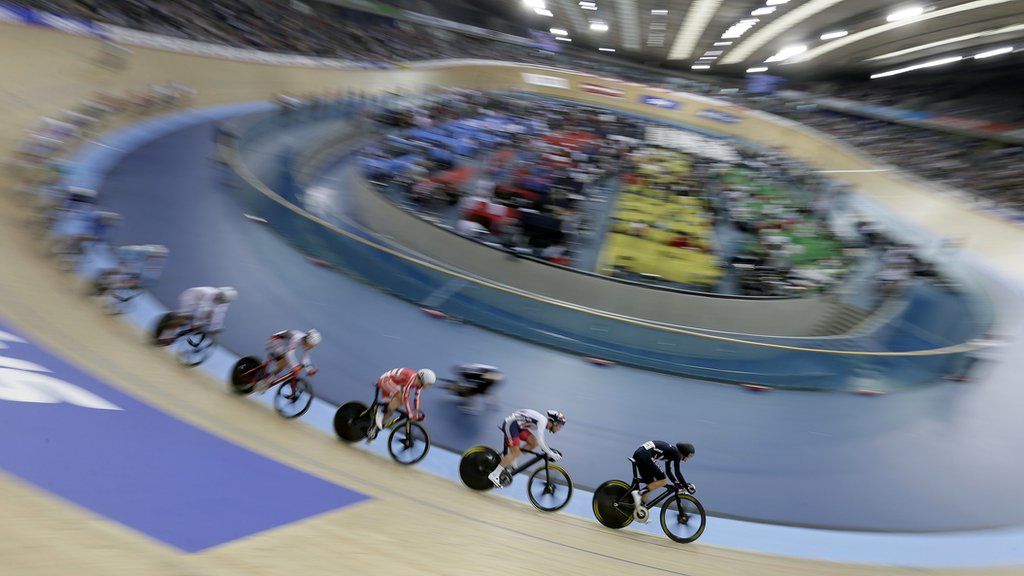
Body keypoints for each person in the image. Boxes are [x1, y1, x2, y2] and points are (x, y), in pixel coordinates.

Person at [488, 409, 565, 488]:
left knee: (533, 442)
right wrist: (551, 453)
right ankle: (494, 474)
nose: (559, 428)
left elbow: (539, 441)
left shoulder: (541, 422)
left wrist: (549, 451)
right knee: (515, 452)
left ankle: (510, 459)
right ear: (554, 422)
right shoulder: (542, 421)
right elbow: (542, 442)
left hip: (518, 426)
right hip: (511, 424)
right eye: (559, 425)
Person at [630, 441, 695, 523]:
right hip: (645, 455)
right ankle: (639, 493)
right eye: (690, 456)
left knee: (650, 484)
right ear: (685, 452)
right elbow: (677, 472)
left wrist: (677, 483)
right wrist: (686, 486)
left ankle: (640, 511)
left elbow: (669, 471)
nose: (688, 458)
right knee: (663, 480)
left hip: (641, 453)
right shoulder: (677, 454)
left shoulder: (673, 452)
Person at [369, 367, 436, 440]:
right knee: (401, 398)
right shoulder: (412, 378)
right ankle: (380, 412)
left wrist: (416, 413)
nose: (429, 386)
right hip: (385, 380)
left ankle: (372, 429)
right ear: (424, 380)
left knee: (389, 412)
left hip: (393, 384)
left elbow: (416, 398)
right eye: (429, 384)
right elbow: (405, 397)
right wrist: (410, 413)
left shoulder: (419, 385)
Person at [170, 286, 237, 338]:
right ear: (219, 292)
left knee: (205, 318)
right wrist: (197, 322)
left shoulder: (223, 303)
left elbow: (219, 315)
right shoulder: (210, 293)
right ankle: (167, 333)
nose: (221, 300)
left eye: (223, 300)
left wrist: (216, 327)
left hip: (199, 305)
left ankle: (183, 332)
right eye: (221, 297)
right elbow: (202, 308)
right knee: (184, 317)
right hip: (190, 298)